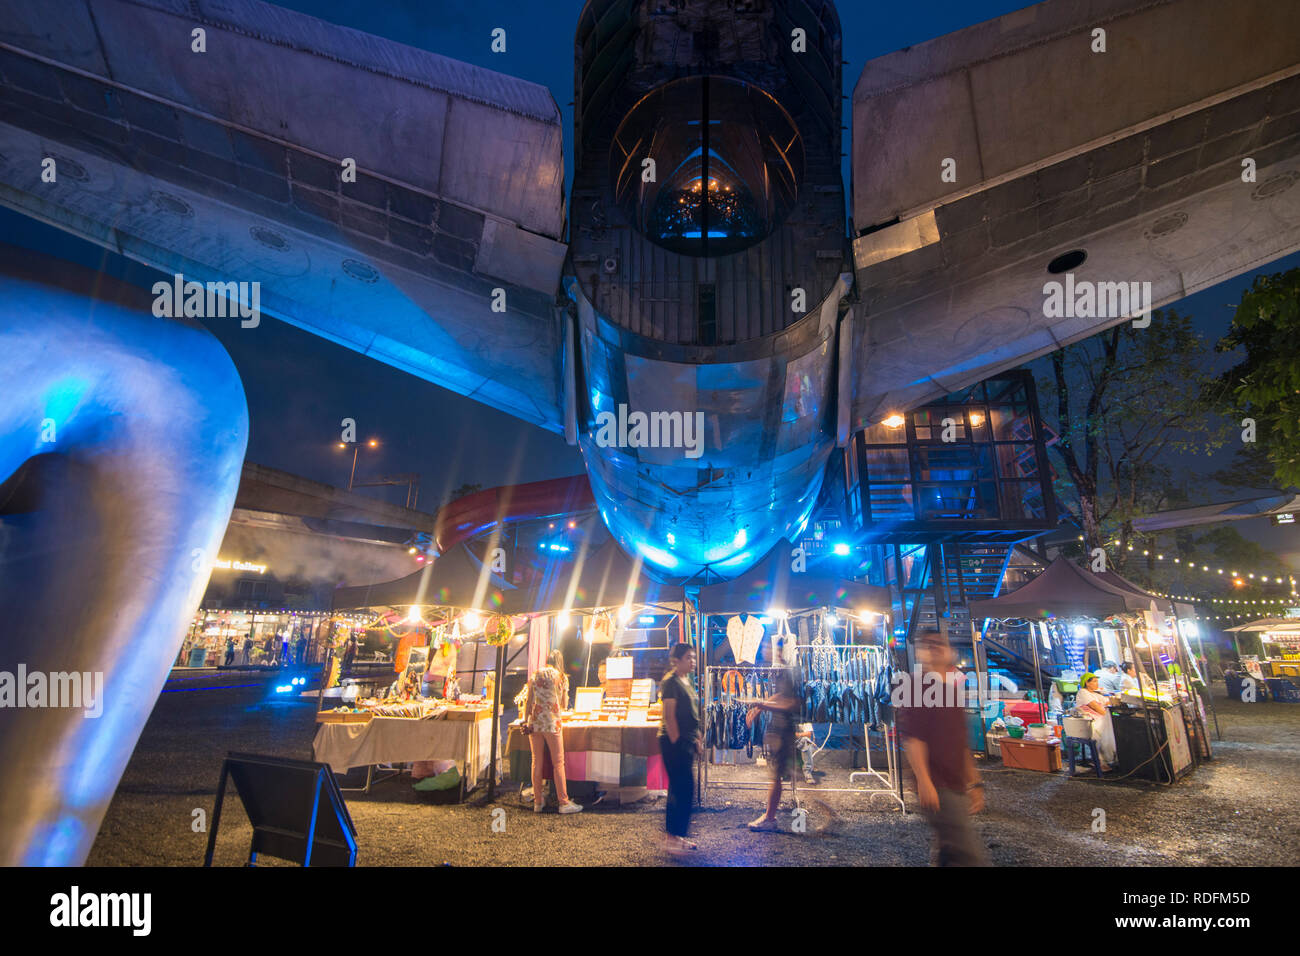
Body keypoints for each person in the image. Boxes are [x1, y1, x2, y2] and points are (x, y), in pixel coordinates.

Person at [898, 630, 989, 866]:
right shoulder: (916, 686)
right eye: (928, 644)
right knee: (970, 856)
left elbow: (961, 743)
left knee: (950, 851)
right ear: (920, 652)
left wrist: (975, 782)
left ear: (950, 651)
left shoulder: (951, 689)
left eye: (939, 643)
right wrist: (924, 781)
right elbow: (914, 739)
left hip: (955, 783)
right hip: (939, 786)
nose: (934, 648)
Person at [524, 650, 582, 814]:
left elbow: (529, 701)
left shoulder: (535, 675)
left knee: (536, 762)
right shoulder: (561, 677)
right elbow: (563, 704)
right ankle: (563, 802)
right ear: (560, 662)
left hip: (535, 722)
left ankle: (537, 801)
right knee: (558, 763)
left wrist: (525, 719)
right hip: (552, 723)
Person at [658, 642, 700, 854]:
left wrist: (697, 739)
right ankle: (671, 837)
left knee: (685, 790)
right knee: (679, 789)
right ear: (677, 661)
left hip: (687, 742)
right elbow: (669, 717)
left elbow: (692, 712)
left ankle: (678, 835)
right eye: (689, 658)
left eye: (693, 657)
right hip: (675, 744)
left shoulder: (687, 680)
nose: (693, 661)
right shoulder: (670, 683)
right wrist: (679, 743)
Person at [746, 664, 799, 832]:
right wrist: (761, 706)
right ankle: (770, 816)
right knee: (777, 776)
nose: (767, 650)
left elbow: (791, 703)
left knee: (776, 777)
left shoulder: (792, 673)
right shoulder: (784, 673)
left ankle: (769, 818)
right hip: (779, 733)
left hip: (784, 735)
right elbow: (781, 696)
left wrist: (763, 705)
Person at [1074, 672, 1117, 771]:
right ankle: (1101, 761)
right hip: (1091, 723)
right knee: (1104, 734)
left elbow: (1107, 701)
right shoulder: (1083, 693)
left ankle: (1112, 759)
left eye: (1097, 681)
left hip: (1100, 719)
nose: (1097, 683)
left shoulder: (1094, 694)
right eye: (1094, 681)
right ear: (1087, 683)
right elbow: (1097, 708)